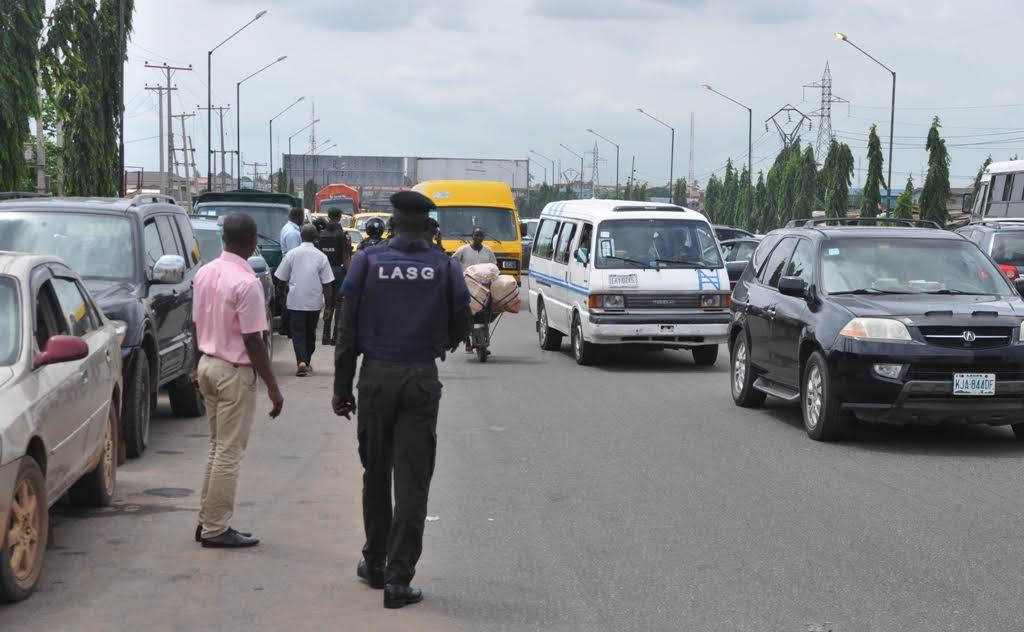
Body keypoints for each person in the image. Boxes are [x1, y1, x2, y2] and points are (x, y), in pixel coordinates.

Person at [332, 190, 471, 610]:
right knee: (411, 482)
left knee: (374, 474)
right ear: (427, 226)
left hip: (375, 378)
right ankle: (398, 579)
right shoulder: (444, 266)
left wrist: (341, 387)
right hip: (419, 378)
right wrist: (435, 343)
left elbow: (346, 329)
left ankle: (374, 562)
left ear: (392, 224)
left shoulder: (367, 261)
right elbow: (462, 322)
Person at [192, 213, 283, 548]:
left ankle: (208, 521)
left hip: (207, 365)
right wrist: (273, 387)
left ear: (224, 239)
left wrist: (193, 365)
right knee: (228, 452)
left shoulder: (204, 273)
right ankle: (216, 528)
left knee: (217, 448)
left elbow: (195, 325)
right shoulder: (246, 284)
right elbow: (254, 340)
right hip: (232, 372)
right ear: (253, 239)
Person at [275, 224, 335, 376]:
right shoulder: (321, 256)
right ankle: (305, 361)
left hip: (295, 301)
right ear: (316, 238)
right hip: (314, 302)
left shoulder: (291, 254)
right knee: (310, 333)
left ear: (301, 236)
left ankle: (301, 361)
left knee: (298, 333)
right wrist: (328, 306)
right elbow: (327, 283)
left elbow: (281, 278)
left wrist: (281, 296)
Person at [316, 209, 353, 345]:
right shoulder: (343, 236)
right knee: (339, 304)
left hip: (324, 271)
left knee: (328, 302)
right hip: (338, 271)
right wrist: (351, 275)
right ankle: (335, 336)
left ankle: (325, 335)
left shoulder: (321, 235)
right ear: (339, 217)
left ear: (329, 216)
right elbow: (346, 257)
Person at [277, 207, 306, 337]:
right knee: (291, 299)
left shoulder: (288, 228)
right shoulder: (293, 234)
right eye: (302, 217)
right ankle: (288, 328)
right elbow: (294, 256)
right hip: (292, 269)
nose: (303, 220)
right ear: (298, 217)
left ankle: (284, 327)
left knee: (287, 298)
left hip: (288, 267)